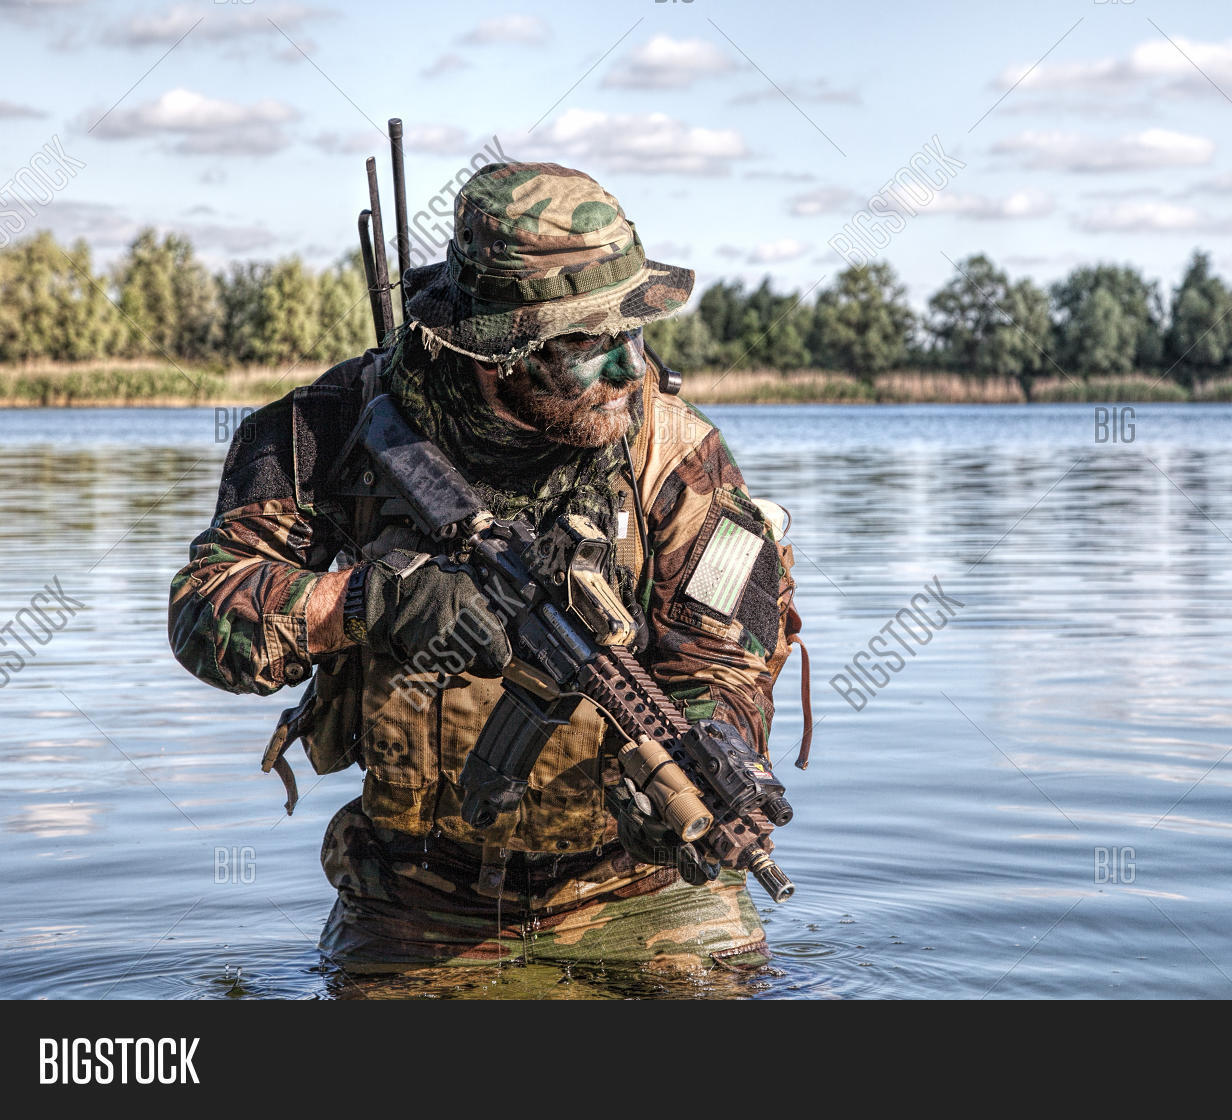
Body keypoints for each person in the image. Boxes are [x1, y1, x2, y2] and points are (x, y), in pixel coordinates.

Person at [168, 161, 806, 973]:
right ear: (496, 351)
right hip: (414, 898)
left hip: (641, 889)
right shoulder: (326, 433)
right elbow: (204, 614)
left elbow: (722, 663)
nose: (628, 372)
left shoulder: (676, 455)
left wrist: (700, 752)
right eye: (585, 345)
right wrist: (366, 600)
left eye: (634, 336)